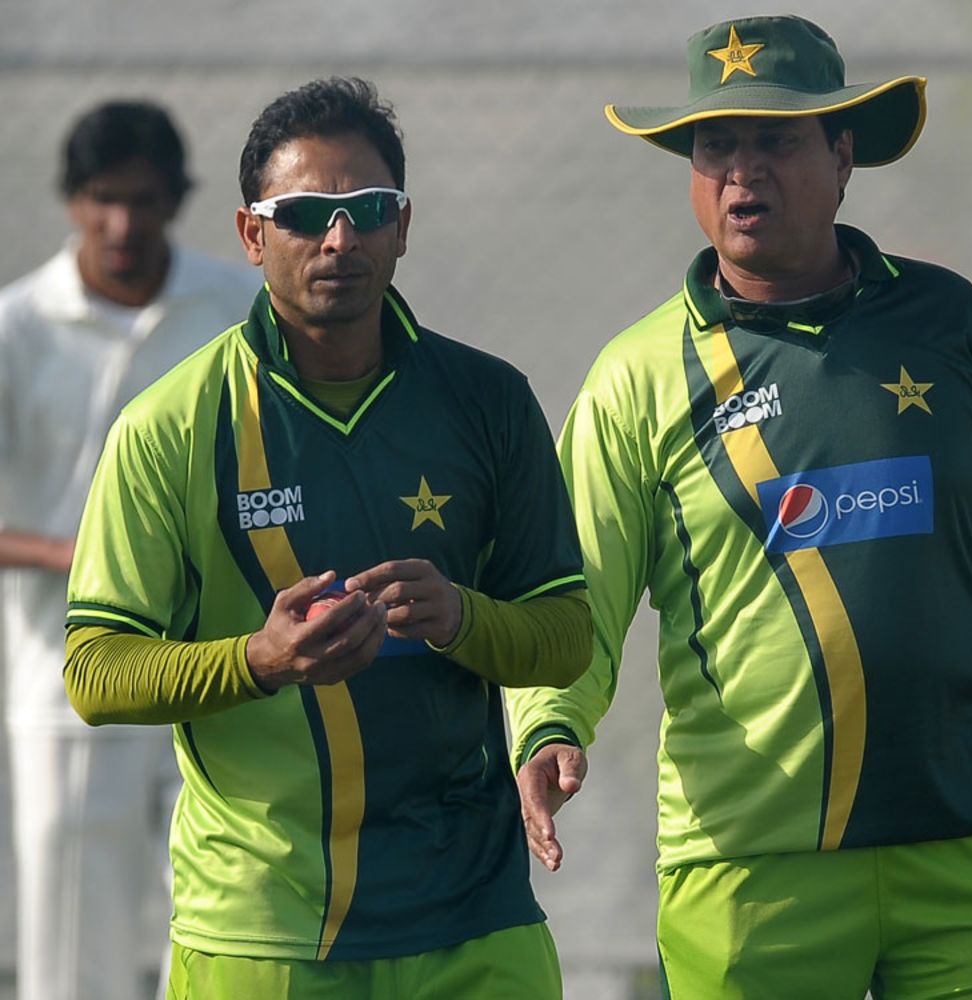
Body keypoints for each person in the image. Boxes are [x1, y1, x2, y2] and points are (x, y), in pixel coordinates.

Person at [506, 15, 972, 999]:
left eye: (776, 140)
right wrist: (550, 723)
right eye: (716, 145)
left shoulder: (950, 323)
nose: (742, 172)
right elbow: (573, 589)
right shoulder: (638, 374)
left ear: (843, 156)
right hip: (749, 869)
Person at [62, 76, 590, 1000]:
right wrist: (260, 660)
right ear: (250, 233)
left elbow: (564, 636)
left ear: (403, 225)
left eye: (367, 209)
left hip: (472, 914)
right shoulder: (171, 425)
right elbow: (95, 672)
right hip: (265, 926)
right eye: (305, 214)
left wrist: (461, 618)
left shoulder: (489, 400)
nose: (340, 239)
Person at [0, 99, 260, 1000]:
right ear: (73, 201)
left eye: (143, 200)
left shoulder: (236, 307)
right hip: (71, 678)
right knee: (75, 947)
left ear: (176, 201)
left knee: (241, 922)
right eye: (103, 199)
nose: (122, 224)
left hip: (229, 663)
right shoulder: (18, 327)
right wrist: (87, 559)